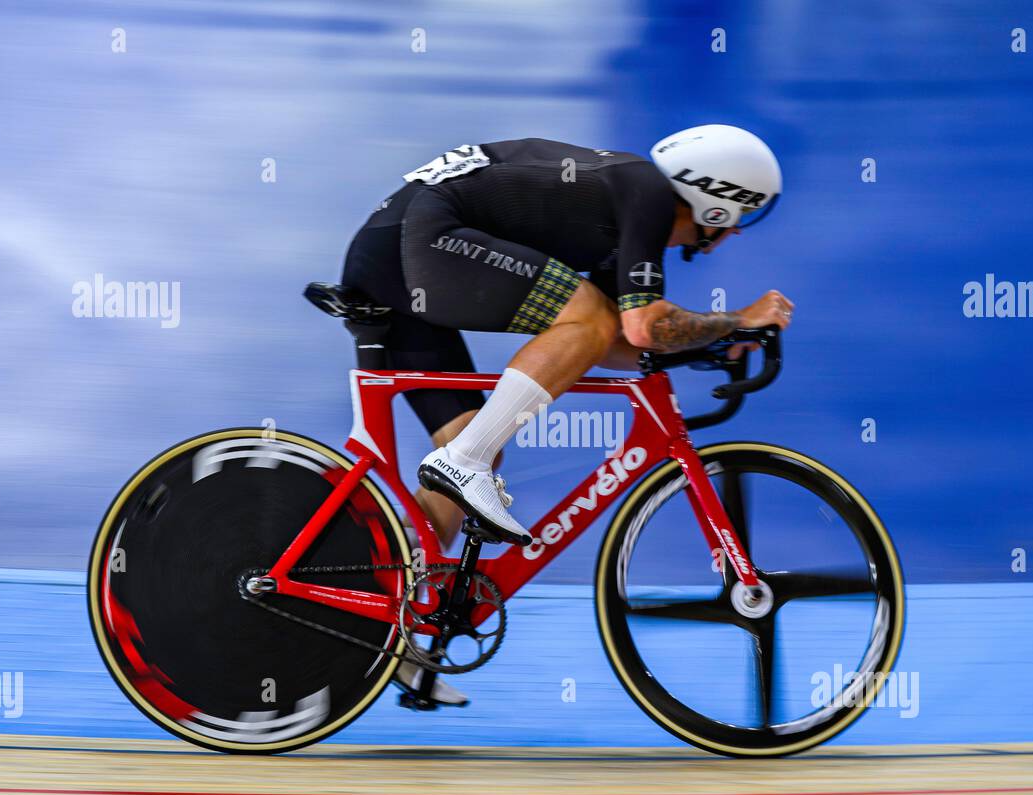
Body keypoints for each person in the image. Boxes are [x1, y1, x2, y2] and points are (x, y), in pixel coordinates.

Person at [340, 124, 794, 705]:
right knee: (561, 348)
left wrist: (710, 343)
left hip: (398, 248)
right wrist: (737, 319)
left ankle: (400, 631)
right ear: (715, 197)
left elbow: (620, 343)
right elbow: (634, 327)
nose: (730, 235)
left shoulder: (628, 204)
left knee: (484, 423)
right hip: (423, 241)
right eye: (736, 217)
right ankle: (465, 462)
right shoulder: (648, 196)